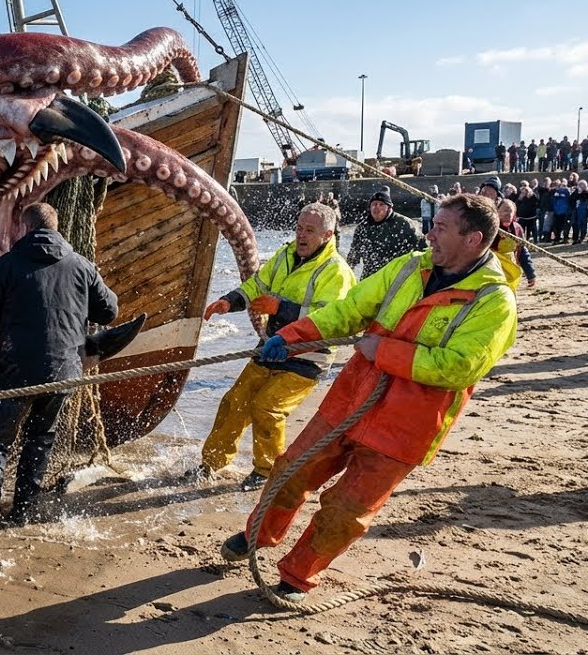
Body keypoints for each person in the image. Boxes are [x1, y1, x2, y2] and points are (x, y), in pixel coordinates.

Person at [220, 193, 517, 602]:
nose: (429, 233)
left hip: (404, 428)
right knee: (291, 469)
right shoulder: (409, 267)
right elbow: (347, 309)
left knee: (347, 508)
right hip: (351, 398)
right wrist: (289, 336)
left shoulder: (495, 302)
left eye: (441, 228)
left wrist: (385, 352)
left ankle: (298, 576)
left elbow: (460, 367)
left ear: (473, 239)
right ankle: (259, 534)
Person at [0, 203, 119, 543]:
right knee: (40, 436)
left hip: (16, 370)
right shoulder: (81, 265)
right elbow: (109, 311)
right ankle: (24, 512)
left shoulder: (7, 264)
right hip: (64, 371)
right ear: (57, 228)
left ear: (23, 228)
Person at [194, 204, 356, 490]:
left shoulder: (337, 272)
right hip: (270, 348)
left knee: (267, 408)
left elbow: (331, 319)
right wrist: (230, 301)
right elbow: (257, 284)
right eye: (299, 228)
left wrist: (281, 307)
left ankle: (265, 470)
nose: (301, 236)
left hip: (307, 358)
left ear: (327, 235)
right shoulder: (284, 254)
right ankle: (211, 463)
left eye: (309, 231)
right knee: (234, 401)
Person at [346, 191, 425, 278]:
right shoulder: (363, 227)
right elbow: (353, 256)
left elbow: (422, 249)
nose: (377, 207)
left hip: (397, 277)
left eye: (381, 204)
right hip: (370, 278)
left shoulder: (404, 224)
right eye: (374, 204)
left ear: (389, 207)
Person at [493, 199, 536, 289]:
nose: (508, 213)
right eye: (505, 210)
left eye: (511, 211)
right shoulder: (491, 228)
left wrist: (530, 273)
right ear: (497, 211)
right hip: (492, 268)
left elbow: (522, 251)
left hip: (511, 269)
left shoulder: (517, 229)